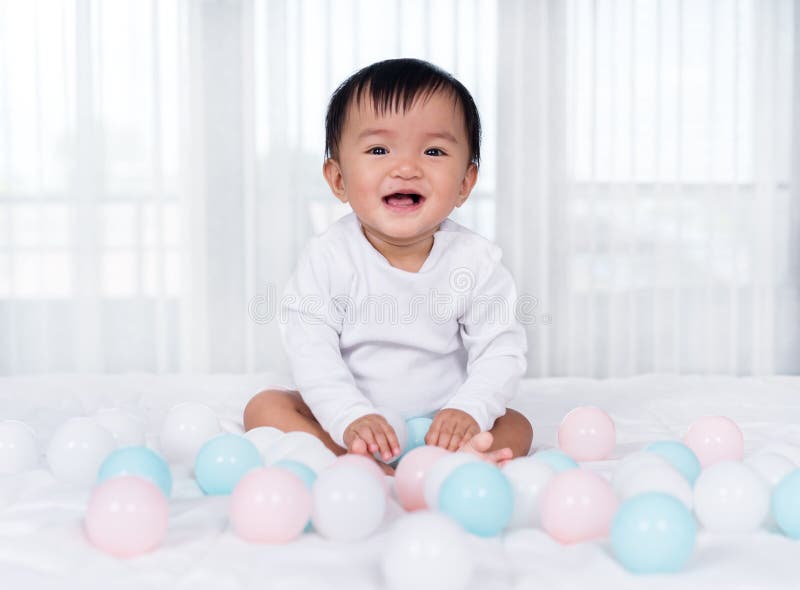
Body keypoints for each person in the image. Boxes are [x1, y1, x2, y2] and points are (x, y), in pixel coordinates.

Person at [243, 58, 533, 472]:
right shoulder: (329, 257)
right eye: (378, 150)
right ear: (338, 179)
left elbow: (500, 350)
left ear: (465, 184)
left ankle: (451, 459)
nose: (405, 168)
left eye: (434, 151)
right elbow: (312, 351)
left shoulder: (477, 262)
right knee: (265, 407)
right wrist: (349, 419)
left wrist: (467, 412)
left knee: (517, 425)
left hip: (440, 420)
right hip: (350, 417)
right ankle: (356, 460)